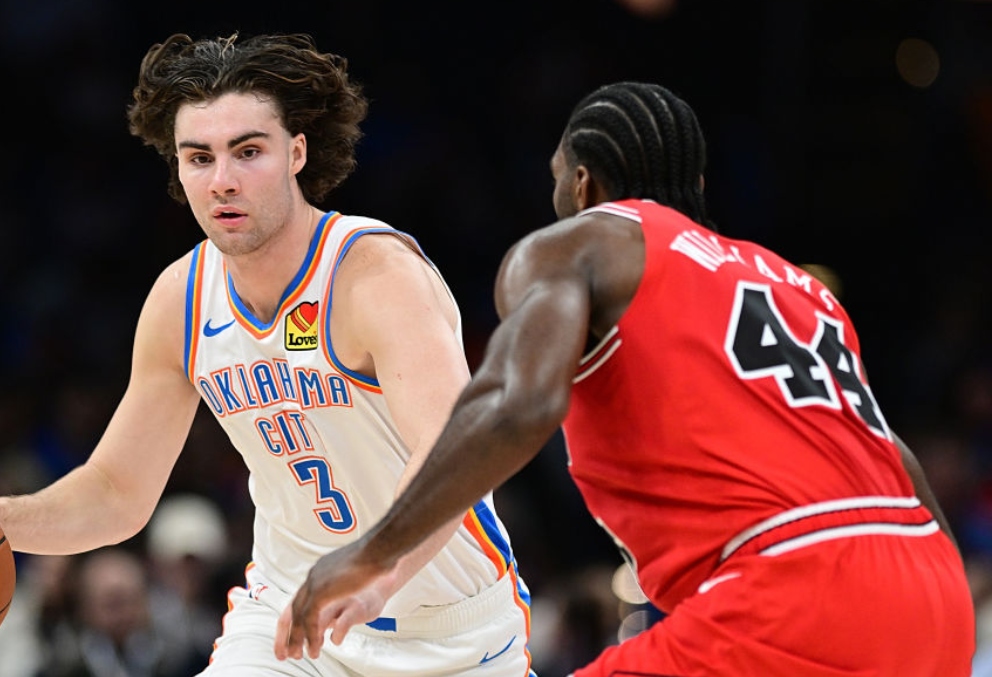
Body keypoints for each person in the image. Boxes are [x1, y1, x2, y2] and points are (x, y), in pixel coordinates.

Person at [0, 31, 535, 676]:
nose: (222, 181)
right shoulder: (181, 300)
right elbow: (117, 493)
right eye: (199, 158)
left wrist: (375, 567)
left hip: (449, 630)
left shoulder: (374, 274)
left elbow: (458, 452)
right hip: (289, 614)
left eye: (248, 151)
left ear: (297, 152)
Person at [276, 81, 977, 676]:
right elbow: (894, 459)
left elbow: (517, 404)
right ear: (696, 187)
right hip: (932, 588)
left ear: (582, 183)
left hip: (791, 584)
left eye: (557, 179)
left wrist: (374, 550)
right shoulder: (799, 286)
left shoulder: (585, 243)